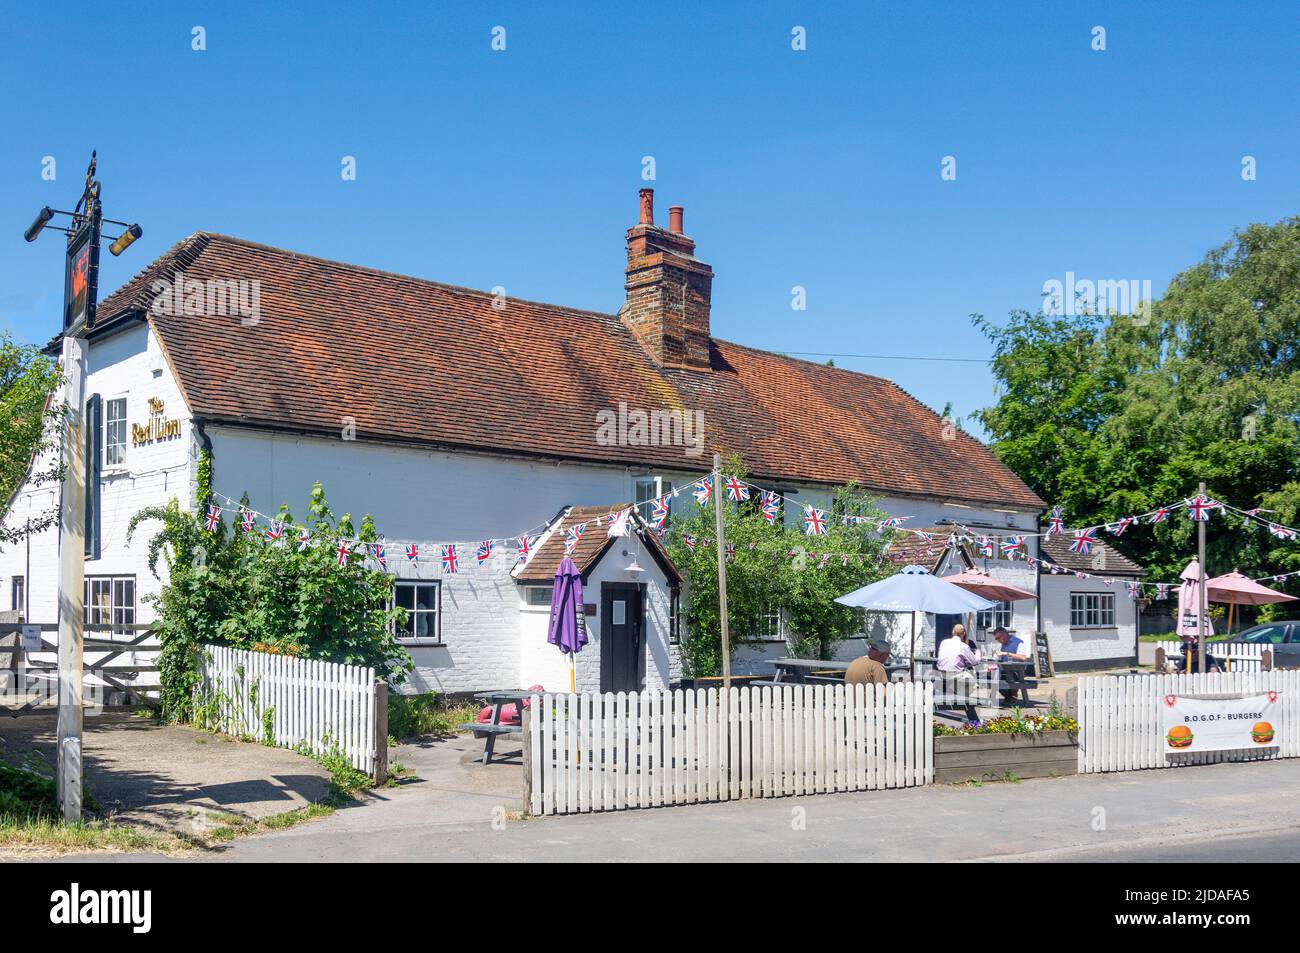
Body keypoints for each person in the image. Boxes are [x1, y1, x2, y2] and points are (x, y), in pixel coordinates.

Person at [936, 624, 980, 720]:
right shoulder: (963, 646)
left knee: (964, 682)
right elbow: (975, 662)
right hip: (955, 675)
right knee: (973, 680)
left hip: (941, 673)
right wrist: (978, 653)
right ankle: (962, 701)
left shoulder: (944, 642)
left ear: (953, 632)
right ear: (964, 634)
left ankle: (960, 697)